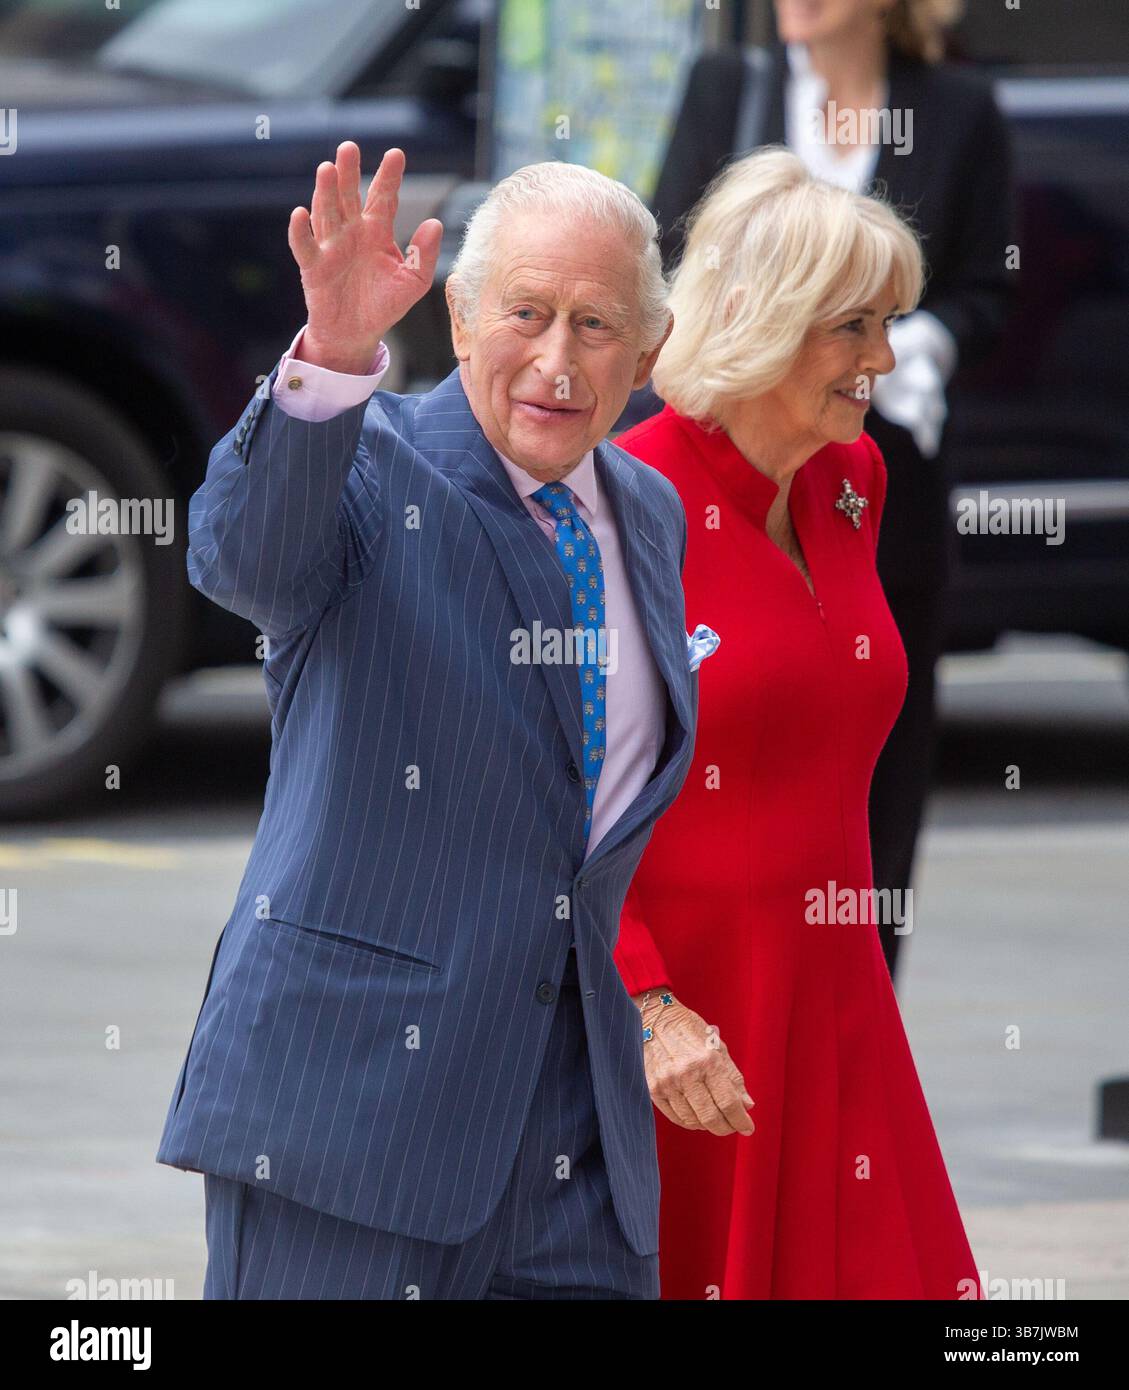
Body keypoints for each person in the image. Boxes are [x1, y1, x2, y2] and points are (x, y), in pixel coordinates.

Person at [156, 143, 744, 1300]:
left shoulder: (651, 513)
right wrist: (329, 356)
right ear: (464, 319)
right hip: (354, 1128)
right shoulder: (368, 472)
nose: (557, 359)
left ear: (651, 353)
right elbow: (243, 557)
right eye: (525, 311)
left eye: (595, 324)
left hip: (580, 1151)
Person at [613, 148, 981, 1299]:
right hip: (691, 1009)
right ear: (763, 321)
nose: (884, 357)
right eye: (854, 328)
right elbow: (557, 790)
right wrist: (645, 1007)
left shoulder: (853, 479)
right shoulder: (629, 502)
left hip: (833, 982)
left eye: (890, 325)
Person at [649, 0, 1014, 979]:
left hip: (880, 468)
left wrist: (919, 347)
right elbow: (680, 265)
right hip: (741, 461)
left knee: (875, 737)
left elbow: (987, 288)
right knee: (729, 723)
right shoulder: (732, 87)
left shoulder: (959, 108)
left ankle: (859, 983)